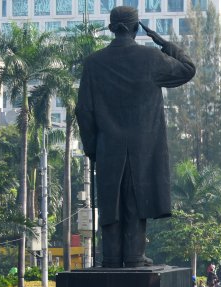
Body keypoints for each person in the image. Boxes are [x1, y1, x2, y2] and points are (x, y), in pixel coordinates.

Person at [76, 6, 195, 268]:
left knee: (111, 201)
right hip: (143, 145)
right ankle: (134, 256)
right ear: (135, 27)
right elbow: (187, 68)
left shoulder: (94, 63)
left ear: (111, 28)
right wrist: (162, 41)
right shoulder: (151, 58)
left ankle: (111, 257)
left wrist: (91, 146)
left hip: (108, 145)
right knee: (135, 198)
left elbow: (83, 109)